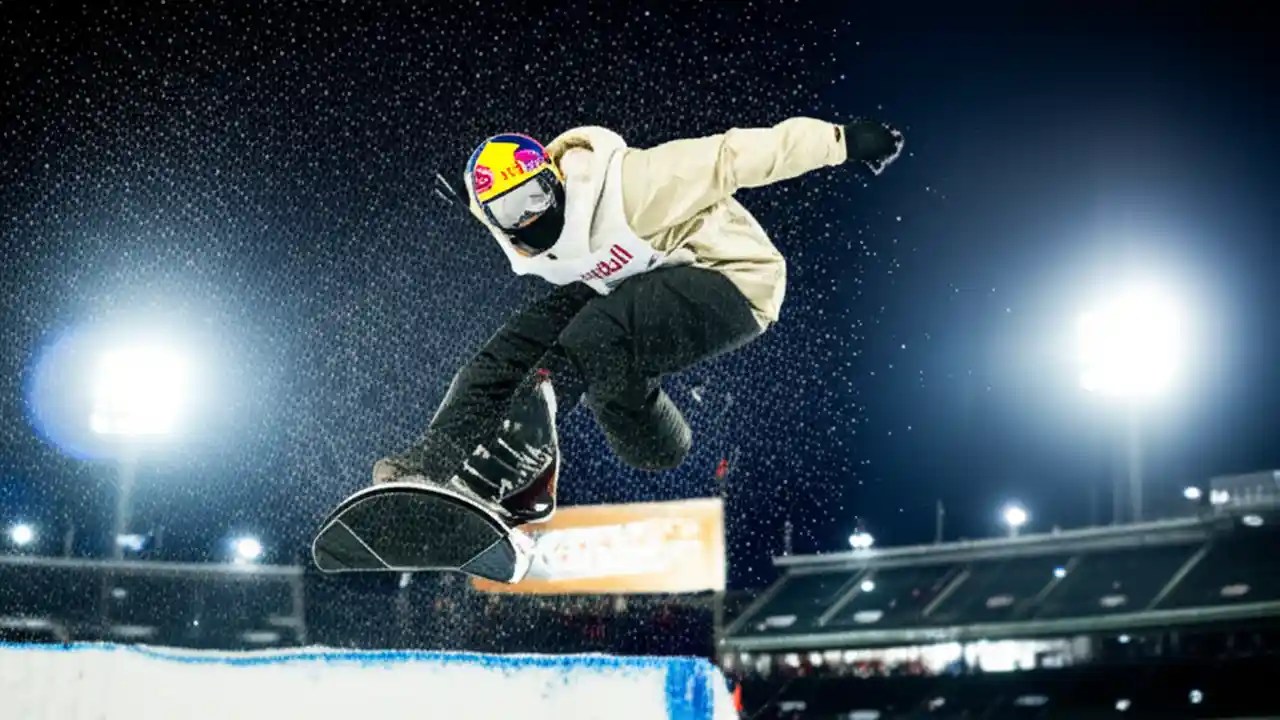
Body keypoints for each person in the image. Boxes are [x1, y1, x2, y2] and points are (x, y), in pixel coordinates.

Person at [373, 116, 904, 525]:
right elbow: (490, 213)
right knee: (512, 350)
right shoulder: (512, 237)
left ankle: (518, 470)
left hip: (732, 279)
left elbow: (735, 156)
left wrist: (842, 142)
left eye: (537, 196)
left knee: (593, 336)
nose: (532, 216)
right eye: (514, 213)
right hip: (629, 290)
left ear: (556, 180)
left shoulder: (633, 186)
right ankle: (429, 465)